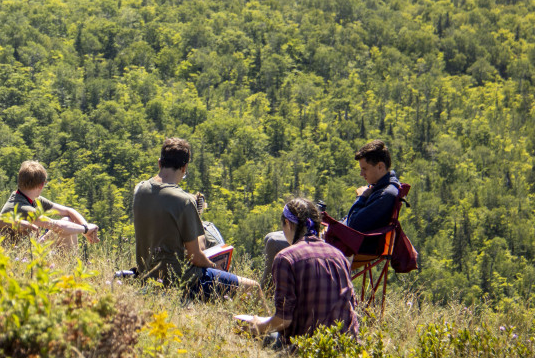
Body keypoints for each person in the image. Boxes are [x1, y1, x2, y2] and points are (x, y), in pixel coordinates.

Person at [262, 139, 402, 288]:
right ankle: (278, 293)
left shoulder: (386, 194)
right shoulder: (380, 189)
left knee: (274, 242)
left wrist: (361, 198)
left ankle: (265, 295)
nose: (361, 174)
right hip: (342, 239)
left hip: (348, 247)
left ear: (380, 166)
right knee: (270, 237)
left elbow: (354, 224)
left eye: (365, 169)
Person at [133, 137, 260, 300]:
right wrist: (216, 268)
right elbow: (195, 256)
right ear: (184, 167)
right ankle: (273, 326)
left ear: (159, 163)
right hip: (180, 280)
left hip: (147, 275)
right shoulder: (184, 201)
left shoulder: (140, 189)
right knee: (254, 288)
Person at [236, 198, 358, 349]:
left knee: (242, 329)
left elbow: (283, 321)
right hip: (345, 347)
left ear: (287, 223)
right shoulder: (339, 255)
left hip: (305, 347)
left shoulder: (285, 258)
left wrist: (255, 325)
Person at [0, 160, 100, 248]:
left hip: (31, 249)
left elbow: (69, 211)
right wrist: (85, 229)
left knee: (68, 221)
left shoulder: (31, 199)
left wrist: (87, 232)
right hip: (19, 257)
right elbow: (58, 227)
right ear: (41, 185)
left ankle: (66, 267)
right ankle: (68, 268)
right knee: (65, 226)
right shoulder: (21, 207)